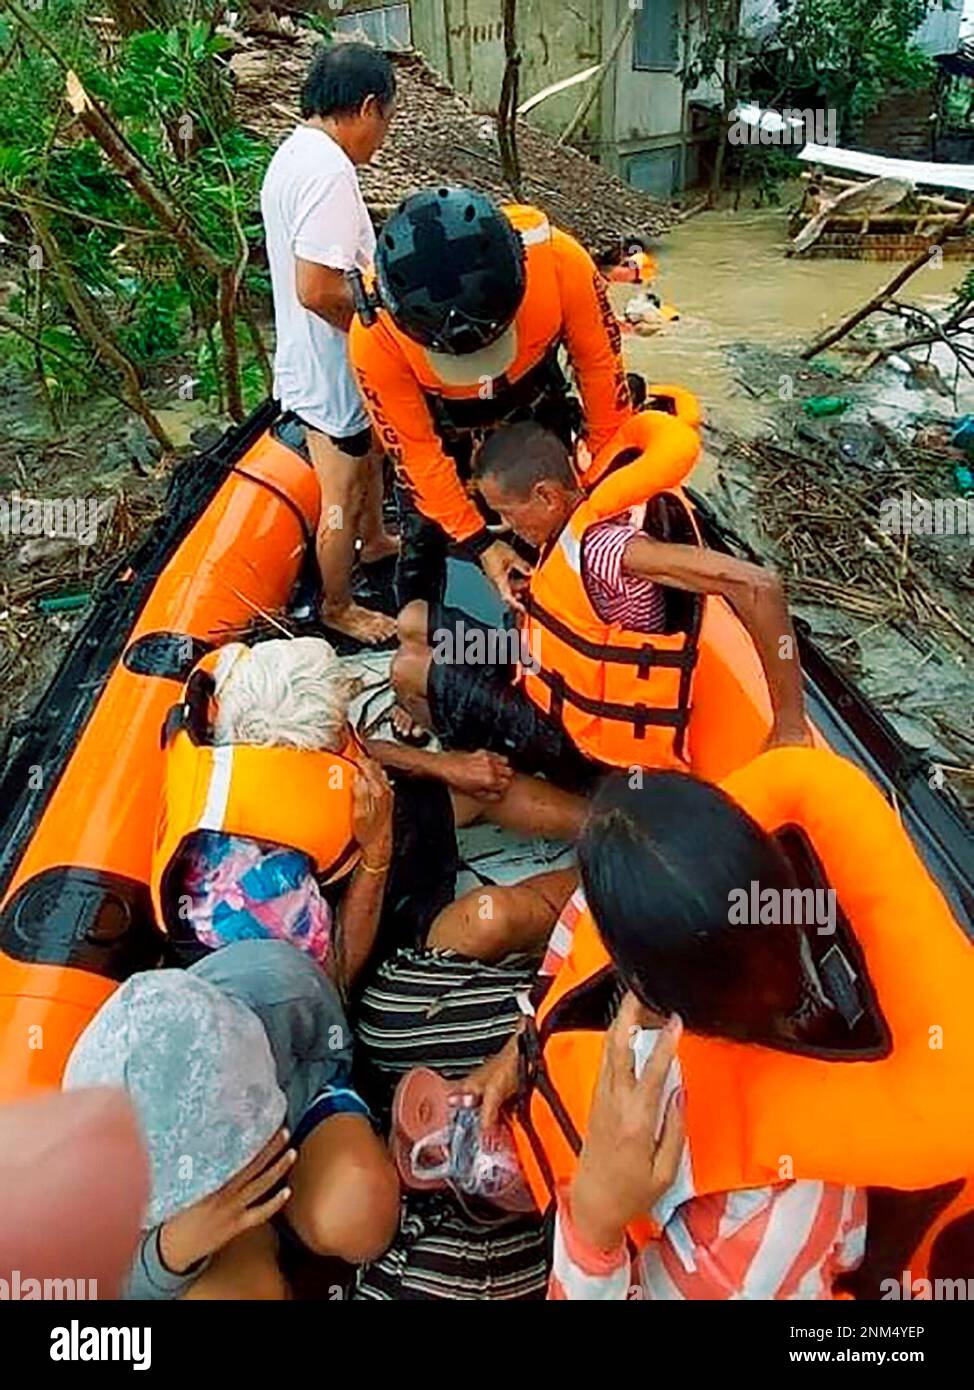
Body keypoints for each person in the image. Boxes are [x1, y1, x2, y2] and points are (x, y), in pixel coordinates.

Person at [392, 416, 809, 793]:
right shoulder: (578, 514)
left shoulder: (606, 548)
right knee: (413, 619)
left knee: (408, 669)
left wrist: (789, 725)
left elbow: (759, 586)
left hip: (575, 734)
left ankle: (486, 768)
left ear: (547, 496)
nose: (510, 527)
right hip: (540, 668)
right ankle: (464, 730)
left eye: (508, 514)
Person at [152, 637, 586, 975]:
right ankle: (608, 880)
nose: (351, 737)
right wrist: (377, 852)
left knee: (478, 787)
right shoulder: (251, 890)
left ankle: (613, 829)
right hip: (361, 934)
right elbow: (335, 977)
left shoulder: (250, 723)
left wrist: (443, 765)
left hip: (361, 843)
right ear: (298, 754)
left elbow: (351, 752)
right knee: (494, 917)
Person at [348, 186, 633, 631]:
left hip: (534, 412)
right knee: (424, 552)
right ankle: (433, 647)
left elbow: (601, 374)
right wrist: (479, 542)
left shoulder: (559, 263)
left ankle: (563, 626)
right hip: (445, 428)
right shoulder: (374, 333)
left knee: (559, 524)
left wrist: (607, 487)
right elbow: (416, 454)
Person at [63, 941, 401, 1299]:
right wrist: (170, 1251)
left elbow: (330, 1046)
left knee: (360, 1211)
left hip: (294, 1114)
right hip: (204, 1224)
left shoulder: (278, 987)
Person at [261, 42, 397, 645]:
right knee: (337, 493)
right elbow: (317, 289)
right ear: (368, 107)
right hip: (328, 365)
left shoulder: (293, 154)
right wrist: (378, 334)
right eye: (385, 121)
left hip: (310, 359)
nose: (382, 138)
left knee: (367, 455)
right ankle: (337, 604)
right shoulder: (329, 171)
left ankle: (375, 541)